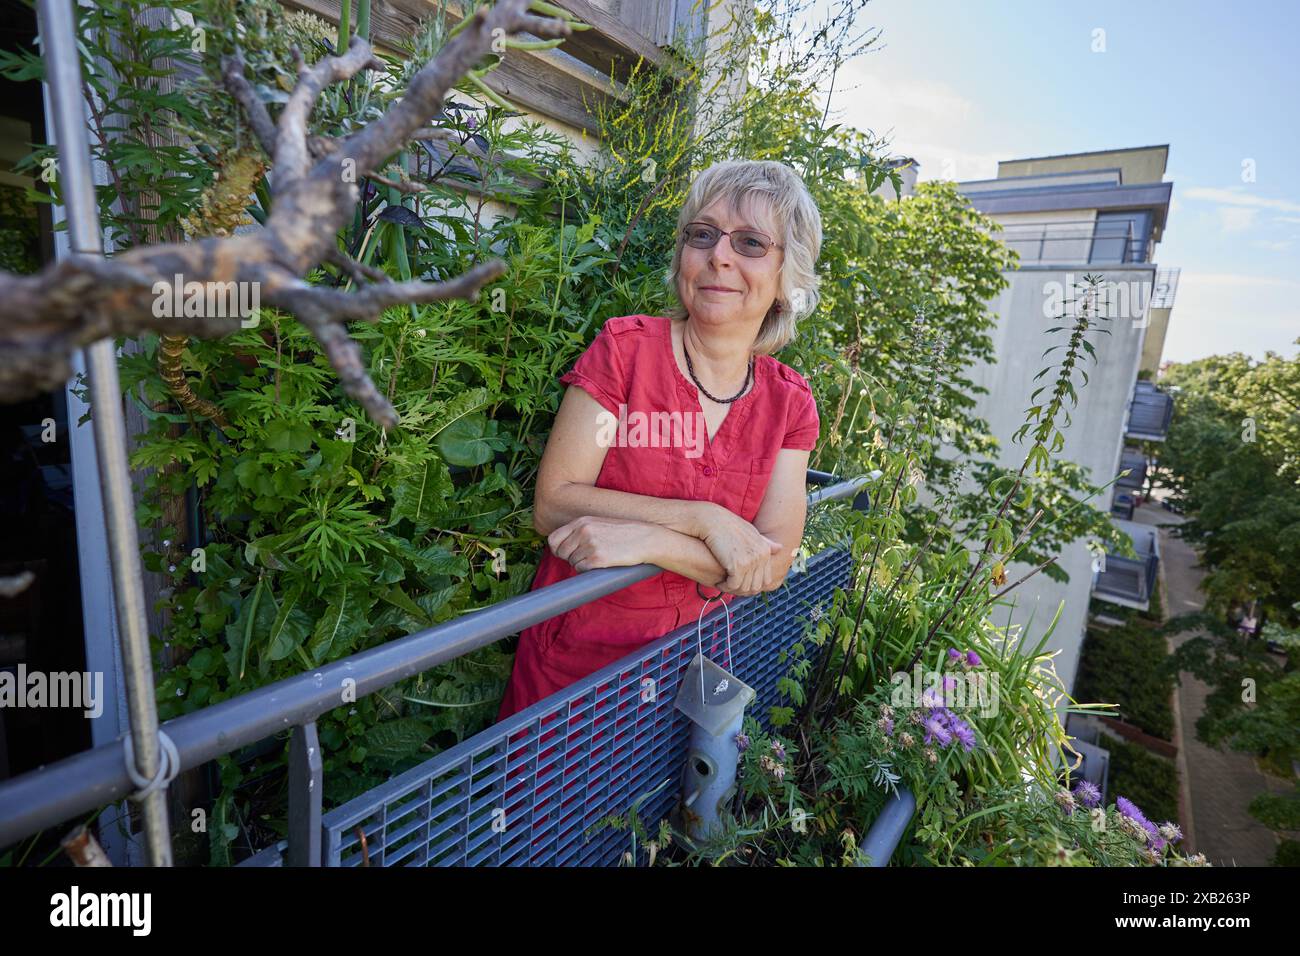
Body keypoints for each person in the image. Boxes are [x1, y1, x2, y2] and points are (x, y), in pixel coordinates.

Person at [496, 159, 824, 721]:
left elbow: (769, 563)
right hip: (574, 666)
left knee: (656, 807)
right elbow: (554, 504)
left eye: (749, 242)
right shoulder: (625, 353)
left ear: (785, 279)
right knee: (538, 805)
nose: (719, 255)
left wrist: (650, 544)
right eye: (702, 235)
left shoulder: (789, 404)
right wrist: (705, 521)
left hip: (689, 671)